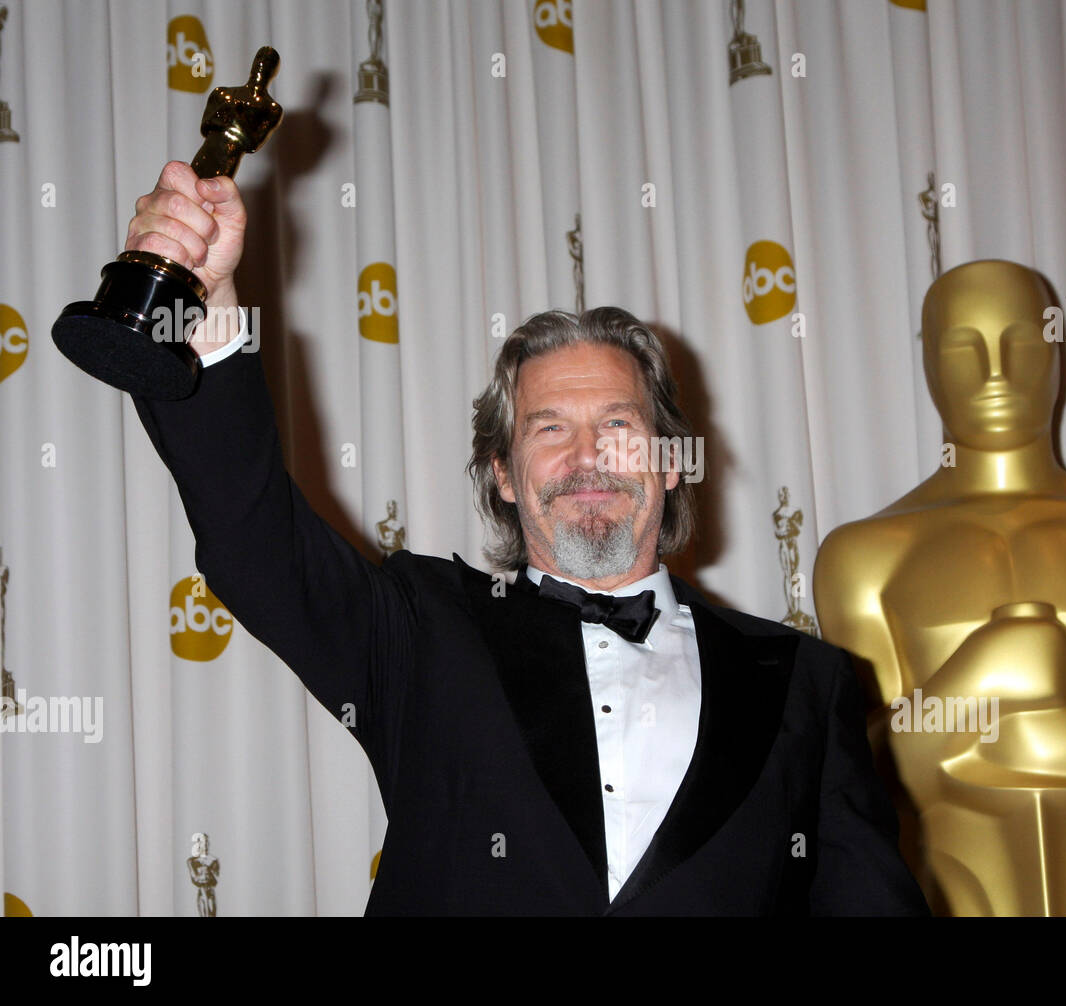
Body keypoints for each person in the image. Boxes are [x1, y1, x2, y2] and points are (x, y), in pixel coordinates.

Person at [126, 160, 928, 916]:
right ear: (503, 475)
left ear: (671, 461)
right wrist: (205, 310)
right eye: (549, 428)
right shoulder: (420, 632)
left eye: (618, 423)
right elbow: (253, 538)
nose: (587, 457)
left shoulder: (808, 685)